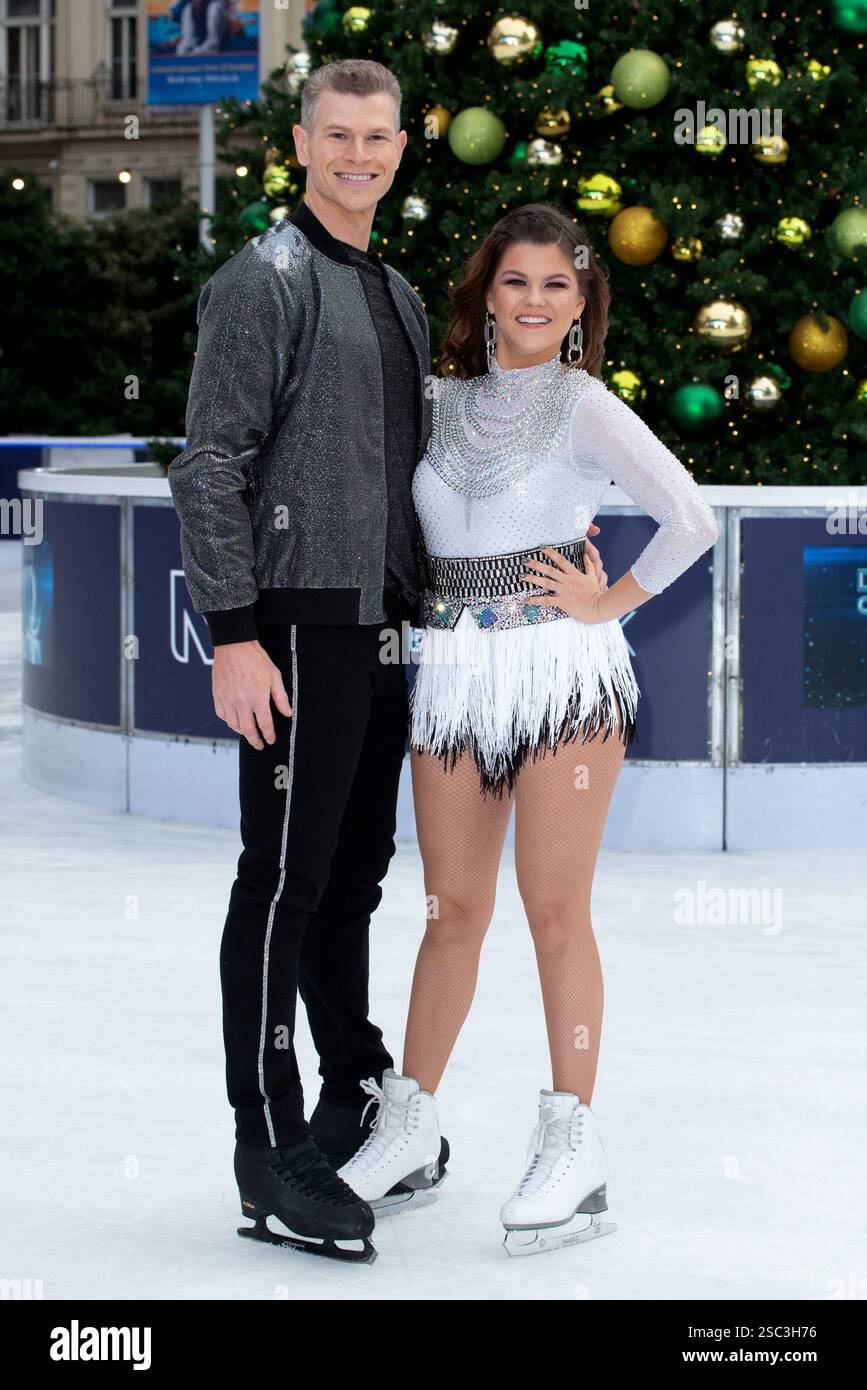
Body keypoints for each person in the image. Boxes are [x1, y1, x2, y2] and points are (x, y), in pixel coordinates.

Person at [168, 58, 612, 1262]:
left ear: (403, 148)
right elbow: (209, 464)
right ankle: (268, 1150)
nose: (357, 154)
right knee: (284, 882)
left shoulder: (401, 295)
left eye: (378, 137)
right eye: (337, 135)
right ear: (303, 143)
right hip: (296, 628)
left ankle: (356, 1085)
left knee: (357, 877)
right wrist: (235, 633)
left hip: (385, 633)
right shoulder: (261, 282)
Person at [335, 202, 720, 1256]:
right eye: (517, 281)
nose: (537, 301)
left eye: (559, 285)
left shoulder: (587, 405)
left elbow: (693, 517)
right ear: (486, 292)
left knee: (555, 908)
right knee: (449, 908)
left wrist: (609, 601)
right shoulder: (438, 400)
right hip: (454, 672)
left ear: (583, 300)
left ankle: (573, 1142)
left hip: (561, 672)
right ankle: (410, 1122)